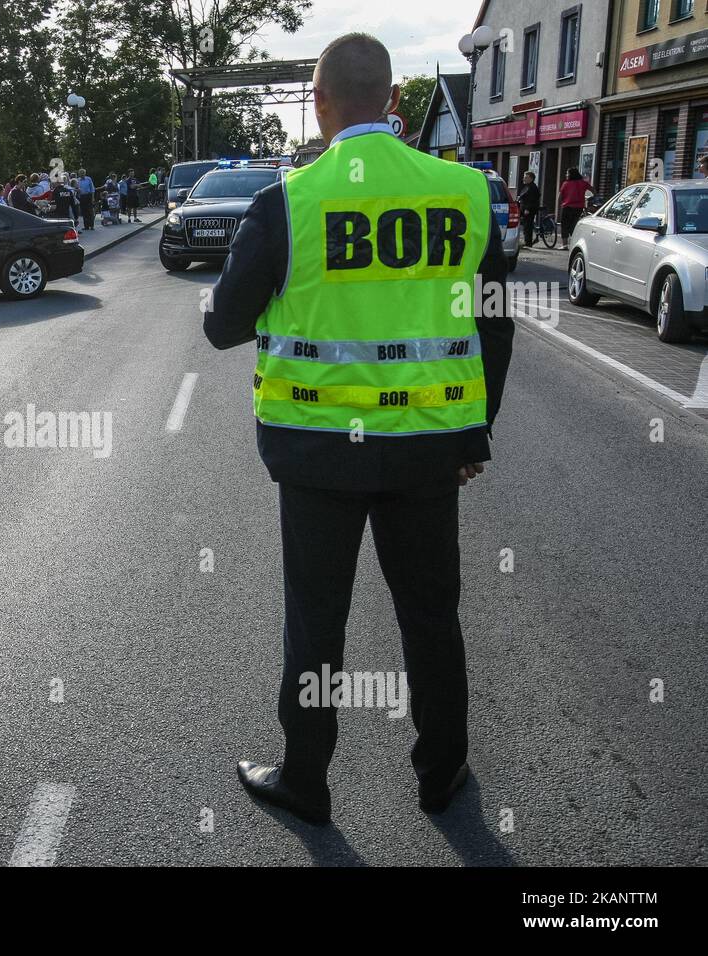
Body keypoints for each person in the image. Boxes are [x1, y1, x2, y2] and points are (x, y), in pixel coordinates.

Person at [204, 32, 513, 826]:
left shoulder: (289, 201)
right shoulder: (466, 191)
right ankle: (442, 775)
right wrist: (473, 434)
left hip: (315, 453)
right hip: (427, 450)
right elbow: (496, 323)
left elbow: (223, 326)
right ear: (397, 106)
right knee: (432, 617)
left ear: (318, 104)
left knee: (316, 622)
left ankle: (306, 782)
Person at [558, 167, 592, 245]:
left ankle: (565, 244)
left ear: (571, 174)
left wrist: (560, 206)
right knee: (574, 224)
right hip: (579, 207)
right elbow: (592, 189)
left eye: (567, 173)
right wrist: (592, 198)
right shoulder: (583, 183)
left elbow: (560, 196)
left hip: (567, 207)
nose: (566, 175)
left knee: (565, 225)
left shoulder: (566, 183)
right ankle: (574, 243)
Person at [517, 171, 541, 246]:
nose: (524, 179)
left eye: (526, 177)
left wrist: (527, 209)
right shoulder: (527, 186)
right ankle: (526, 240)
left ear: (531, 178)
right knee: (525, 225)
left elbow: (532, 199)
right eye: (524, 177)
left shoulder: (533, 187)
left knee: (528, 226)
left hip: (529, 209)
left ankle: (528, 242)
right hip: (523, 208)